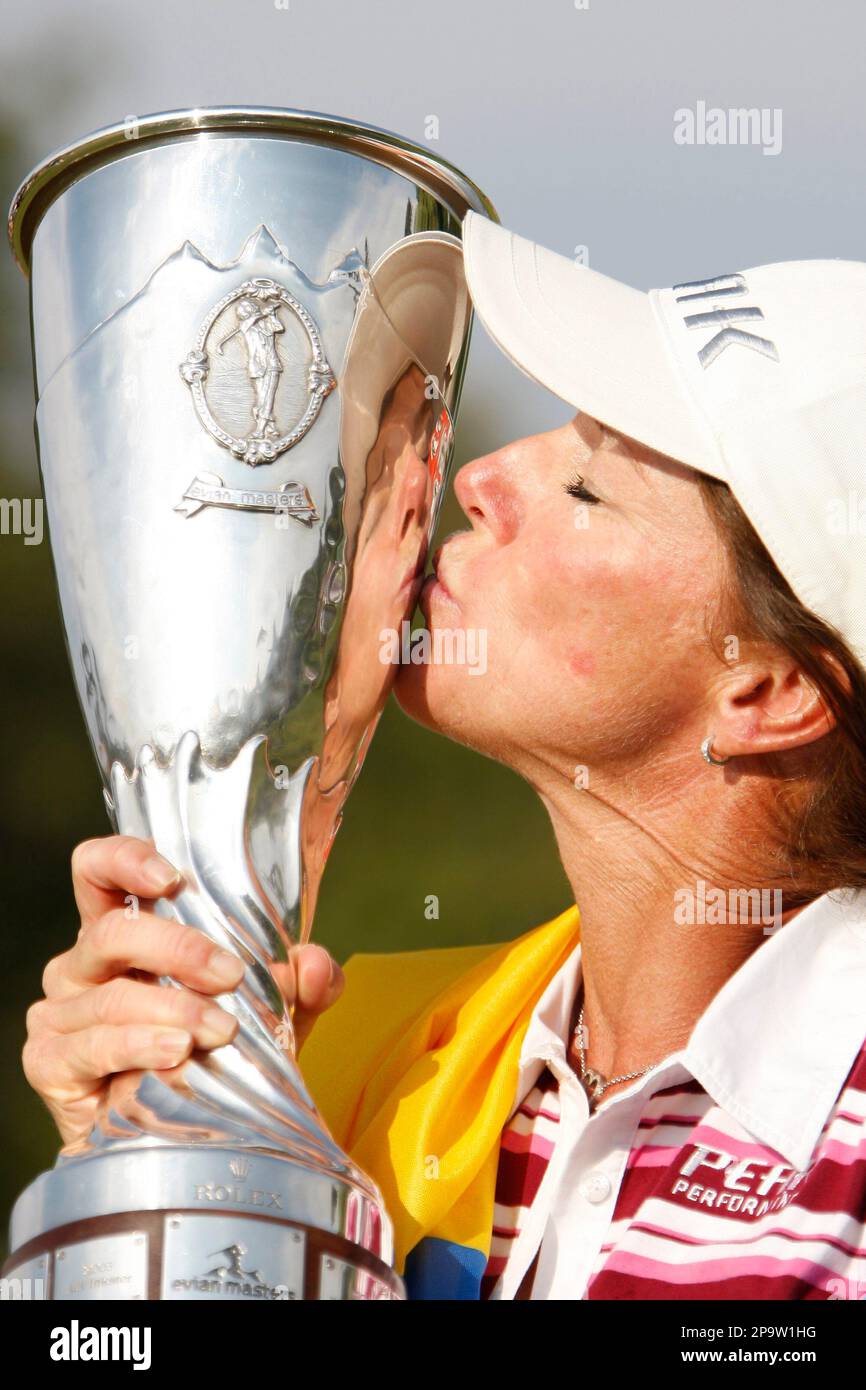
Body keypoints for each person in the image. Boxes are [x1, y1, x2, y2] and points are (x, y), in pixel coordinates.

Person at [22, 214, 866, 1300]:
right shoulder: (353, 1052)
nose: (482, 476)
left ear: (769, 691)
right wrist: (146, 1184)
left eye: (586, 491)